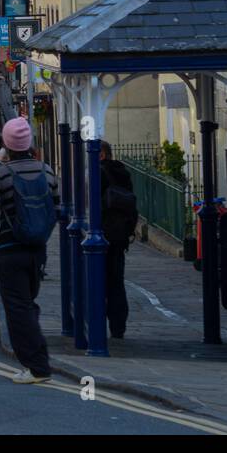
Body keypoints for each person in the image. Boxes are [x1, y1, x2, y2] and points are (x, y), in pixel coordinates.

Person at [0, 116, 60, 384]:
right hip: (37, 250)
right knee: (28, 304)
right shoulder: (46, 170)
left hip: (9, 249)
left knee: (18, 309)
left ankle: (37, 367)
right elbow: (56, 208)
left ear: (7, 143)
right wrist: (42, 237)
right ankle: (38, 361)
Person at [98, 141, 138, 339]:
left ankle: (97, 324)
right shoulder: (123, 172)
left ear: (103, 154)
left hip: (102, 233)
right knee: (117, 282)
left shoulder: (100, 173)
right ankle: (118, 327)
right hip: (120, 235)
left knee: (98, 281)